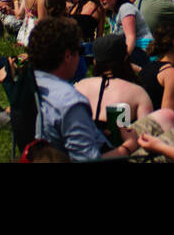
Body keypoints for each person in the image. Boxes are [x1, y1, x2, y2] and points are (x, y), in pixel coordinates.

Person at [29, 16, 135, 160]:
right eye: (80, 50)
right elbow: (88, 160)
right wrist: (129, 146)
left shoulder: (30, 84)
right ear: (67, 56)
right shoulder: (70, 102)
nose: (81, 56)